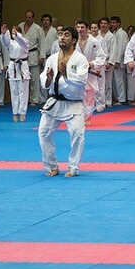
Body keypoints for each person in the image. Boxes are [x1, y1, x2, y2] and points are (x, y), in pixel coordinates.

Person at [38, 26, 89, 178]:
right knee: (43, 133)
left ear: (73, 40)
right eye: (60, 35)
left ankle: (73, 167)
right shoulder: (52, 59)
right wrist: (47, 80)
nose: (62, 37)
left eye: (66, 35)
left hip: (73, 103)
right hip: (54, 102)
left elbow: (81, 81)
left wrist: (66, 75)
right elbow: (44, 79)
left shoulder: (80, 59)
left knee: (77, 134)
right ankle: (52, 166)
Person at [2, 24, 31, 122]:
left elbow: (21, 41)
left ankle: (22, 112)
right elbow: (5, 42)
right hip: (13, 67)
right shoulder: (11, 42)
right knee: (14, 92)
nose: (13, 33)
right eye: (12, 31)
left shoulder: (25, 42)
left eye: (15, 31)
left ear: (19, 32)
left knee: (23, 92)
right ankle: (14, 112)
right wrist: (4, 33)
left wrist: (16, 35)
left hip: (22, 68)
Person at [18, 10, 44, 106]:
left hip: (33, 53)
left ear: (33, 18)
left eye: (30, 17)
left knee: (34, 79)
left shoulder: (37, 28)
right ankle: (25, 99)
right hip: (22, 54)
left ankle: (35, 99)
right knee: (23, 78)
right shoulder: (20, 26)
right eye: (27, 17)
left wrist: (42, 56)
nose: (28, 19)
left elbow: (42, 42)